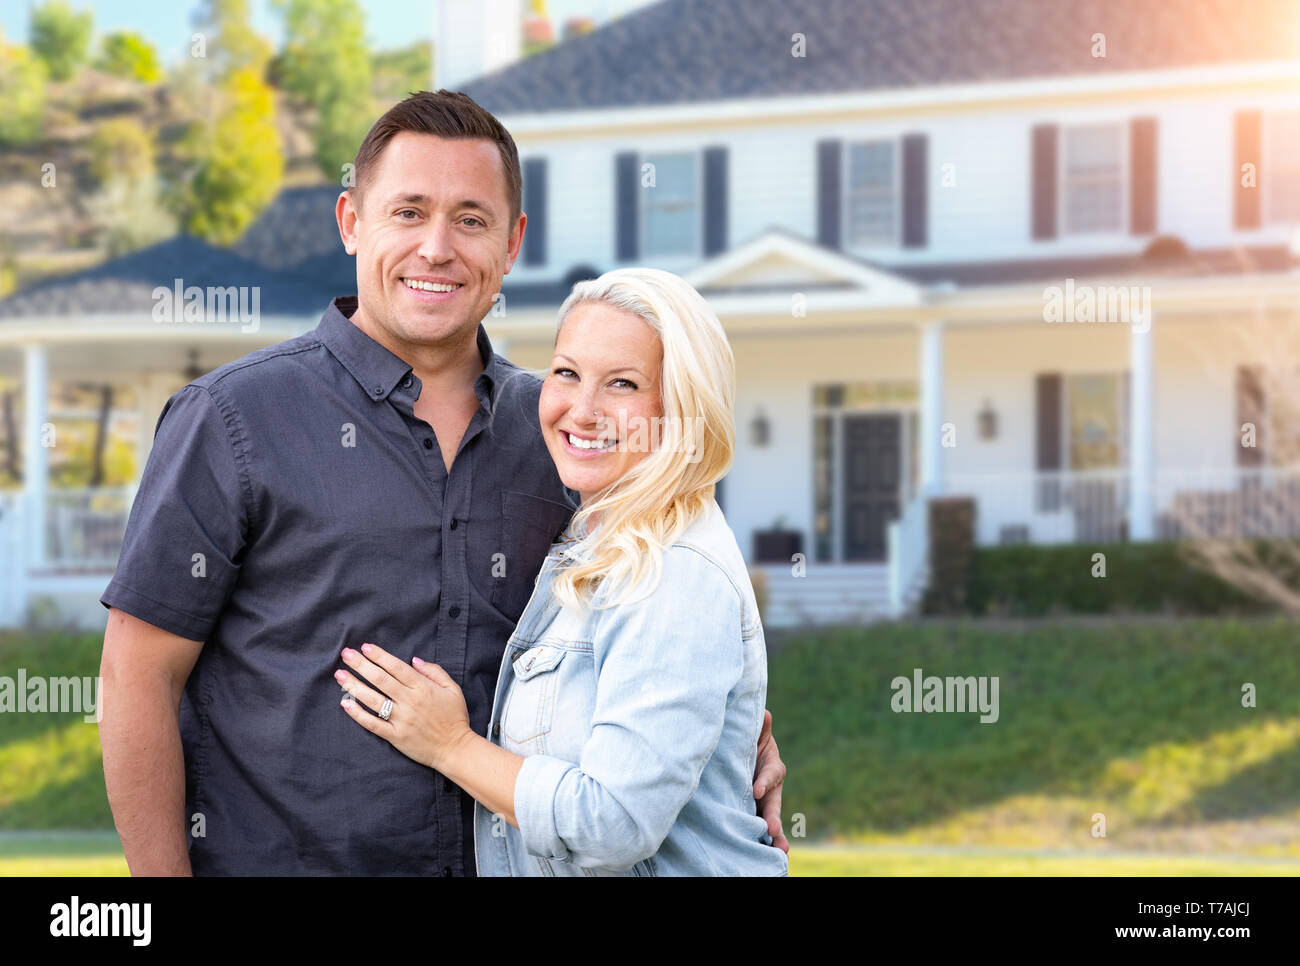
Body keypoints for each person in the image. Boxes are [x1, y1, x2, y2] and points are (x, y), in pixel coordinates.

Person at [97, 90, 788, 876]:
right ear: (352, 222)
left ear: (512, 240)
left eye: (469, 218)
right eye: (408, 212)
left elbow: (650, 634)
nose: (436, 247)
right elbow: (136, 674)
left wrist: (733, 737)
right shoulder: (233, 419)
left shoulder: (564, 432)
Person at [336, 267, 787, 875]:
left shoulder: (673, 570)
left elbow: (615, 824)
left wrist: (449, 745)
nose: (583, 409)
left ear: (681, 407)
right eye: (567, 373)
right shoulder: (597, 537)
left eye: (623, 384)